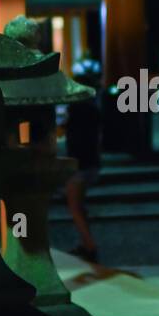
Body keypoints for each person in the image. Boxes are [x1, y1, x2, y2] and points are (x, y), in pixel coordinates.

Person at [63, 59, 102, 263]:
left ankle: (89, 245)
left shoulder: (78, 109)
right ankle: (86, 242)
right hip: (91, 162)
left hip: (80, 164)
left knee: (75, 206)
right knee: (79, 205)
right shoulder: (93, 107)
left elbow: (76, 138)